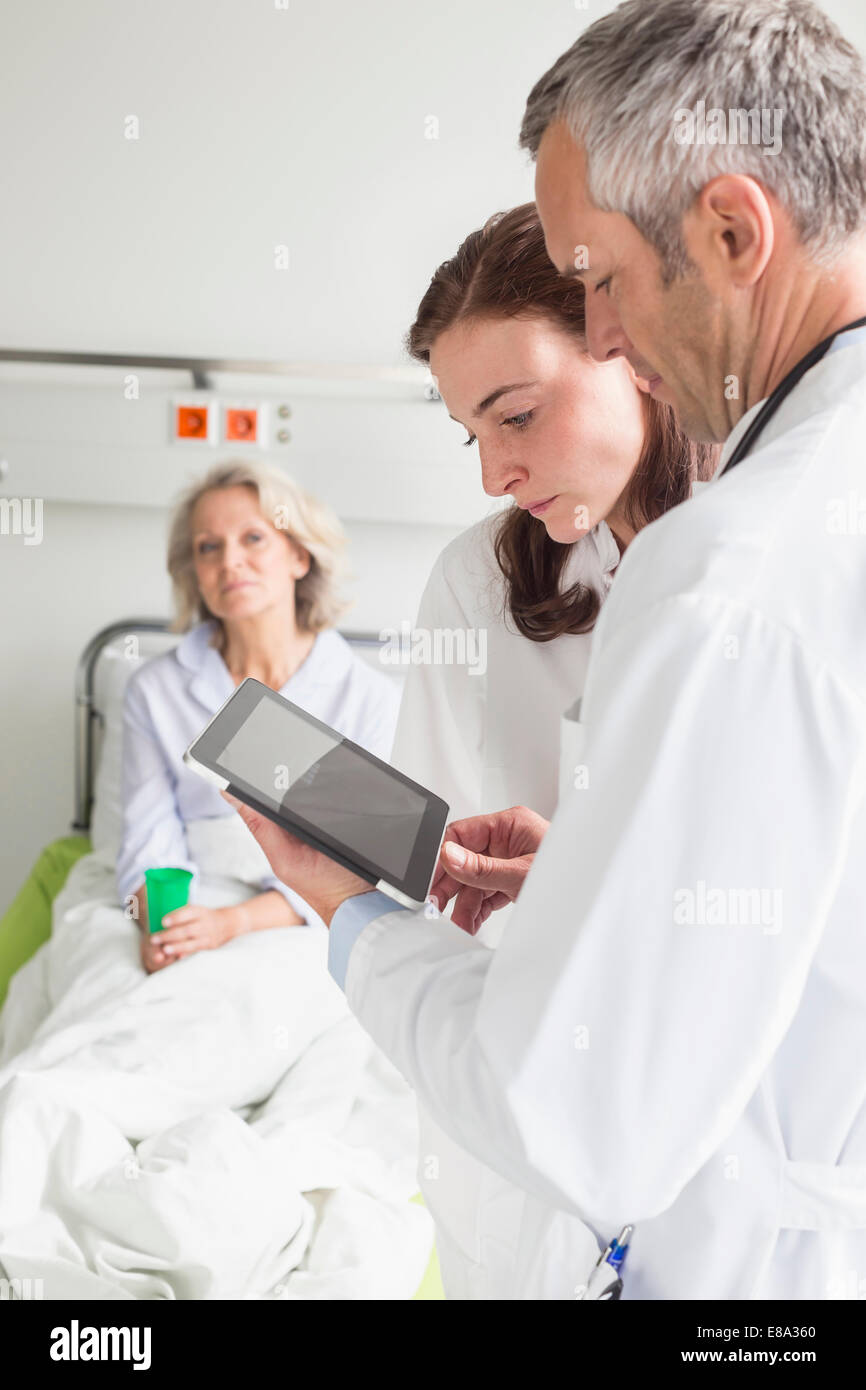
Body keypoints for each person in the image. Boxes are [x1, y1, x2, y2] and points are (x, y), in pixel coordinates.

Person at [229, 0, 866, 1300]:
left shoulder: (725, 571)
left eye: (601, 280)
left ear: (731, 234)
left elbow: (578, 1104)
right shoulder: (524, 574)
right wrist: (576, 864)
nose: (612, 326)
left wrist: (337, 901)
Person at [389, 201, 715, 1297]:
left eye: (515, 415)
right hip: (526, 1108)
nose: (492, 473)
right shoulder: (473, 583)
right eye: (470, 434)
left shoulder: (756, 562)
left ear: (626, 350)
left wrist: (596, 873)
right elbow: (428, 848)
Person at [118, 459, 400, 973]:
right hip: (188, 903)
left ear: (298, 555)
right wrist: (168, 927)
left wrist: (230, 924)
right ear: (195, 573)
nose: (230, 561)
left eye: (253, 538)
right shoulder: (154, 690)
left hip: (308, 916)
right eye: (209, 546)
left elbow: (355, 869)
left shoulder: (369, 699)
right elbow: (147, 836)